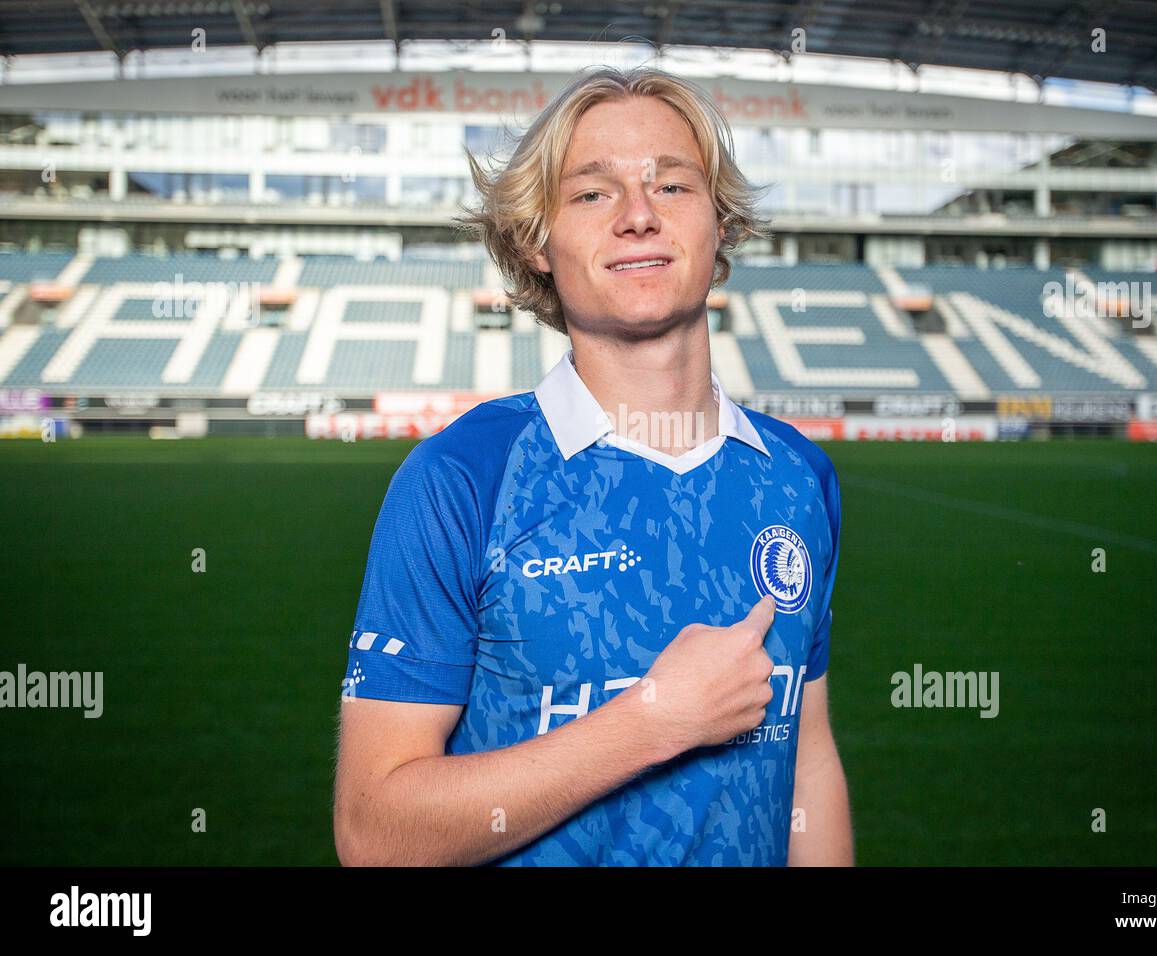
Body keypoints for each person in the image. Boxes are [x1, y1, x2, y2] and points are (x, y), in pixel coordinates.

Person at [333, 65, 852, 866]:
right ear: (536, 243)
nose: (639, 216)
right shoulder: (460, 479)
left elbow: (807, 757)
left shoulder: (797, 477)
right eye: (592, 193)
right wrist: (653, 719)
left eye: (673, 187)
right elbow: (375, 833)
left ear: (722, 224)